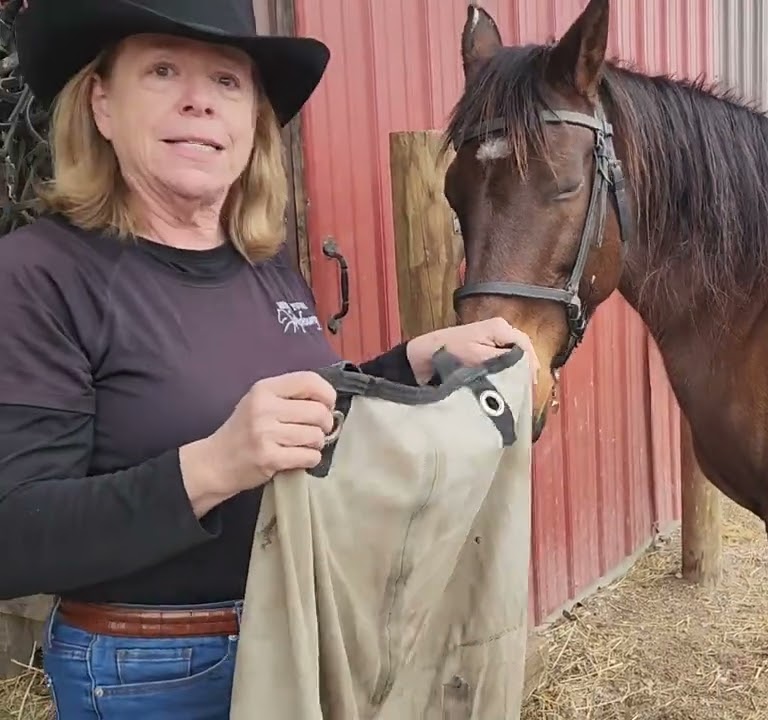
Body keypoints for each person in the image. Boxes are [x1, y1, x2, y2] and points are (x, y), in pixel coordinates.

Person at [0, 1, 537, 717]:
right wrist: (214, 466)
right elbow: (17, 538)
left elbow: (298, 411)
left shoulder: (262, 264)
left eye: (226, 81)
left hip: (308, 636)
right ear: (101, 104)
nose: (197, 100)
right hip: (153, 670)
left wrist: (405, 364)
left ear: (252, 121)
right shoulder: (37, 275)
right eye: (162, 71)